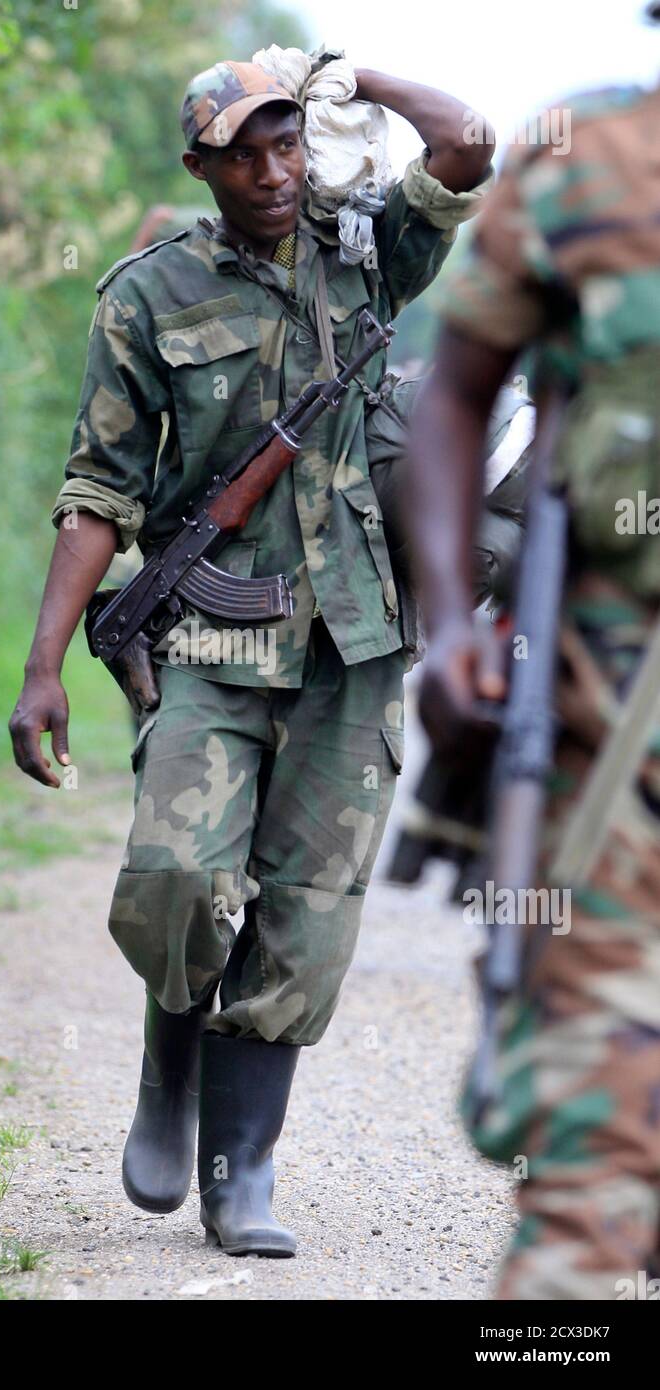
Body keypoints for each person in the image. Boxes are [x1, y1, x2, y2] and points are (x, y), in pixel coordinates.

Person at [9, 54, 494, 1256]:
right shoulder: (147, 294)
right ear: (202, 168)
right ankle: (166, 1075)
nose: (274, 173)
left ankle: (243, 1173)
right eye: (245, 153)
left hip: (360, 642)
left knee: (308, 921)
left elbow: (471, 144)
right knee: (179, 880)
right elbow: (96, 491)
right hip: (210, 643)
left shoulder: (369, 250)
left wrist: (361, 78)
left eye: (287, 145)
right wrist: (42, 669)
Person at [407, 15, 660, 1298]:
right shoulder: (590, 164)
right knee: (589, 1192)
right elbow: (454, 389)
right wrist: (452, 622)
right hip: (614, 739)